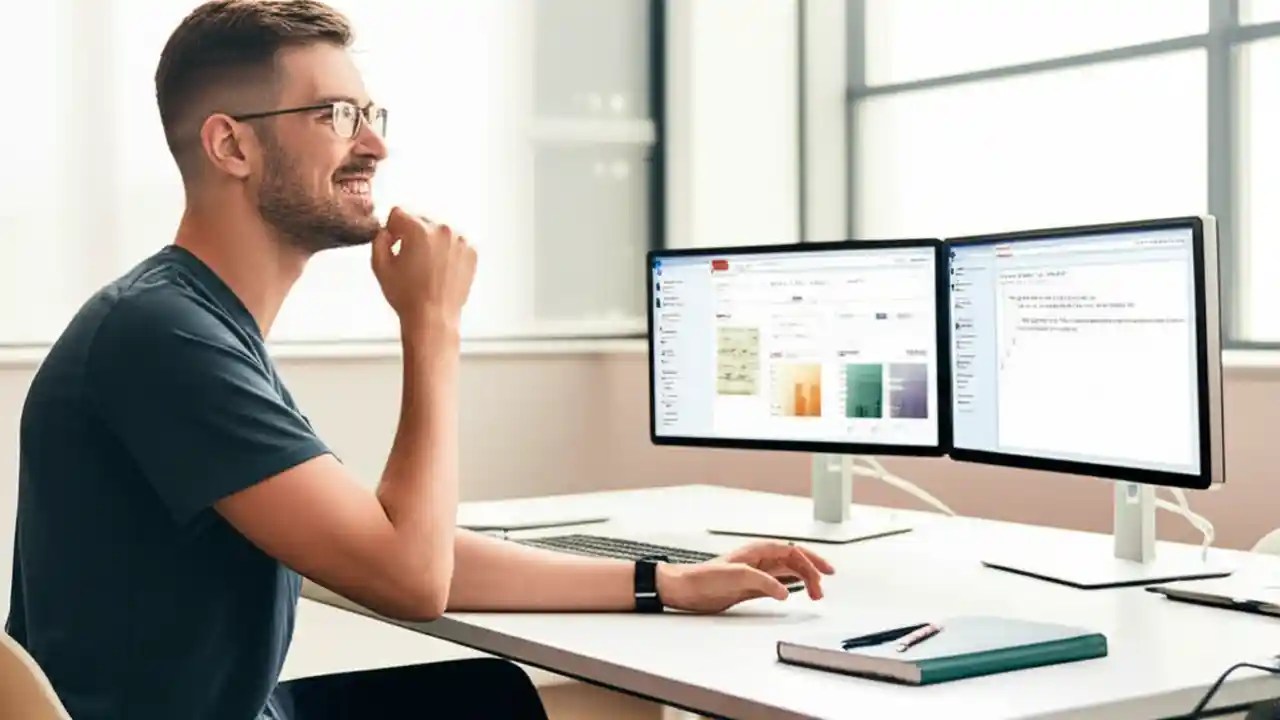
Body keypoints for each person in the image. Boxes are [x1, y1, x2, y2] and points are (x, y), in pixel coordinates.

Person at [4, 1, 835, 719]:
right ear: (231, 146)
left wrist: (664, 583)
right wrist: (431, 324)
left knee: (489, 697)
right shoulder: (164, 337)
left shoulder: (191, 322)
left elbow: (393, 543)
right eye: (336, 114)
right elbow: (411, 577)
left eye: (373, 115)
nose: (374, 145)